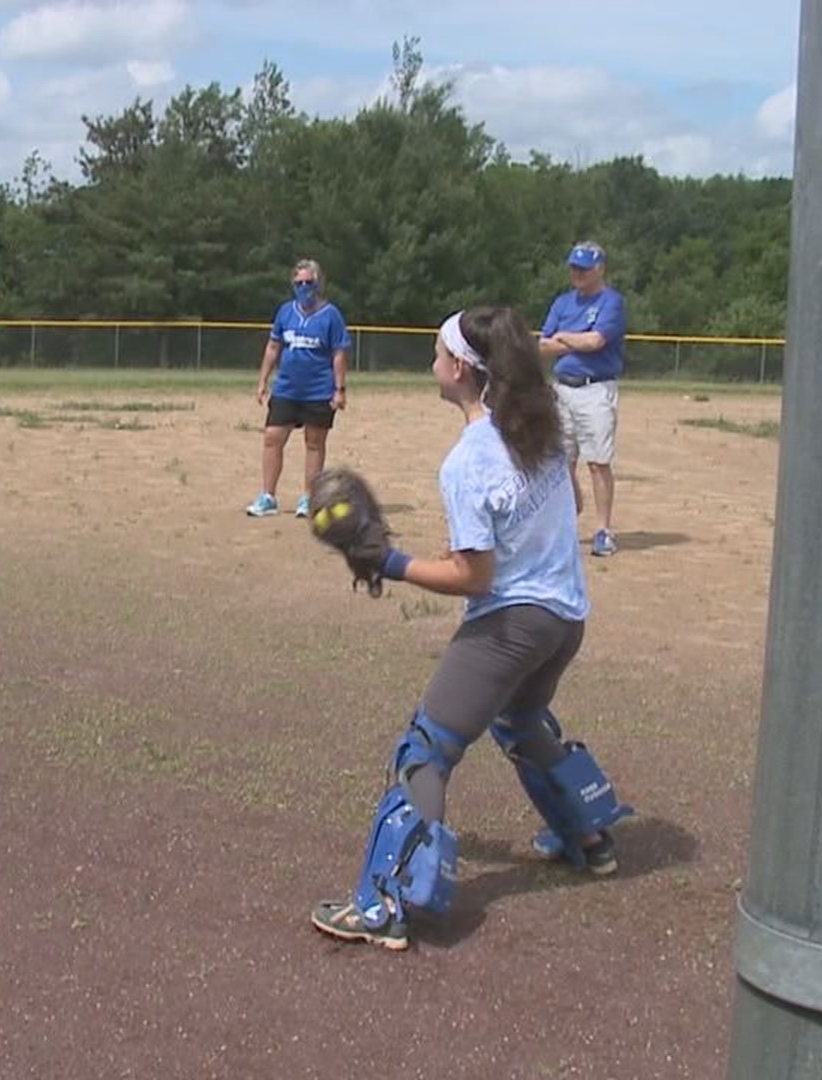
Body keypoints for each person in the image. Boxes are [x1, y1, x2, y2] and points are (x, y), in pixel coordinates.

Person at [310, 305, 632, 952]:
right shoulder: (542, 429)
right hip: (565, 617)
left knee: (424, 752)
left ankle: (384, 905)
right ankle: (588, 837)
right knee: (520, 722)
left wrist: (388, 563)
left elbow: (474, 578)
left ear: (461, 370)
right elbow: (563, 505)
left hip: (511, 624)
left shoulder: (467, 461)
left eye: (437, 353)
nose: (433, 363)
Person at [539, 241, 626, 557]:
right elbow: (544, 344)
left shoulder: (611, 302)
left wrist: (565, 338)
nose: (577, 273)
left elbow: (596, 340)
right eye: (574, 267)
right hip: (562, 388)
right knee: (560, 461)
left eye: (583, 268)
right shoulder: (563, 302)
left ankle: (603, 529)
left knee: (597, 463)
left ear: (600, 268)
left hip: (595, 390)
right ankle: (565, 523)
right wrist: (572, 340)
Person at [247, 259, 351, 519]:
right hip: (286, 389)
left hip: (318, 390)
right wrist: (263, 380)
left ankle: (308, 498)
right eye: (299, 283)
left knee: (314, 443)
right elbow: (273, 347)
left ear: (318, 283)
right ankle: (268, 496)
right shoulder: (285, 312)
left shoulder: (331, 315)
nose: (304, 287)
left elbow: (339, 353)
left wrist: (339, 389)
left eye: (309, 282)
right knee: (272, 438)